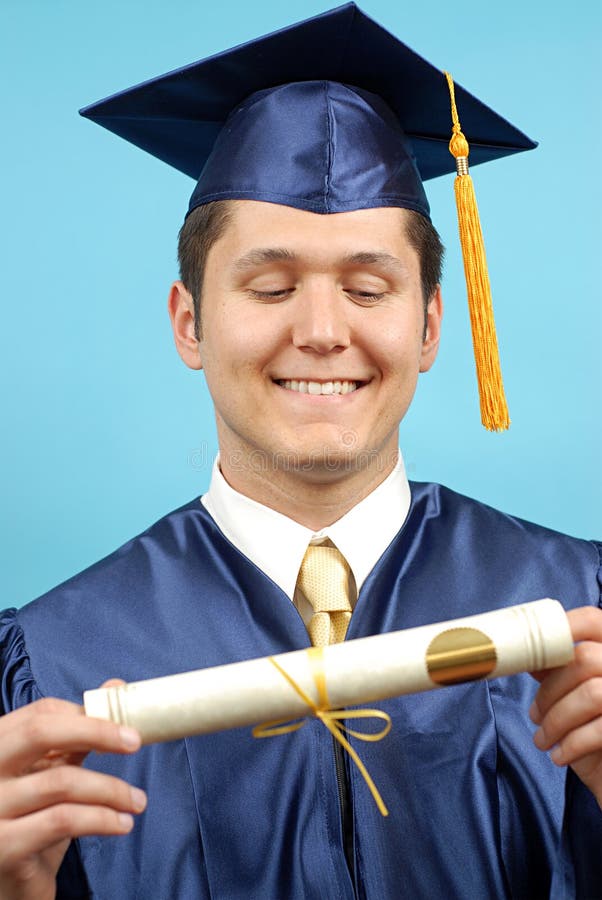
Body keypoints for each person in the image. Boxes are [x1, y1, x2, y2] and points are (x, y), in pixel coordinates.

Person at [1, 5, 600, 898]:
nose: (322, 332)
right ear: (189, 322)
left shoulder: (578, 607)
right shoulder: (56, 663)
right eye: (271, 286)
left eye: (368, 287)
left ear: (432, 324)